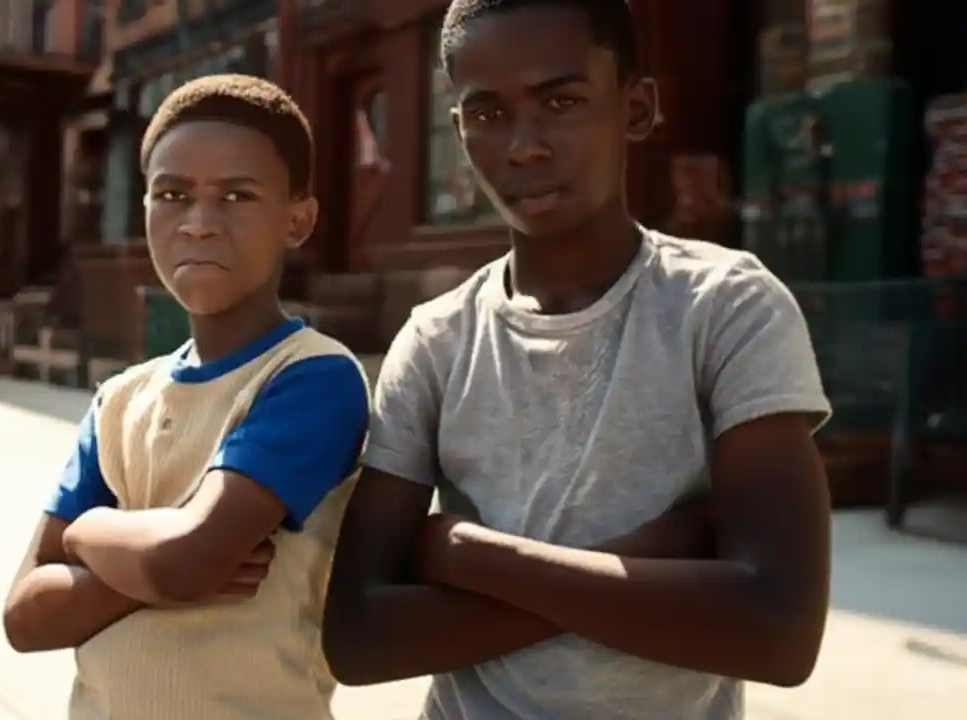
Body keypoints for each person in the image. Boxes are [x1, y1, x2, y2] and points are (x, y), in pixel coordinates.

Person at [321, 1, 834, 719]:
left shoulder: (724, 309)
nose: (525, 146)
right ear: (460, 129)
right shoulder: (436, 342)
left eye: (561, 102)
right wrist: (646, 556)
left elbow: (778, 633)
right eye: (489, 113)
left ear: (636, 108)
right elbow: (358, 639)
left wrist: (467, 555)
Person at [1, 74, 369, 720]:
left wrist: (88, 537)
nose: (199, 224)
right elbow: (25, 616)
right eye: (172, 195)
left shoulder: (312, 377)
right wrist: (144, 556)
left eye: (237, 196)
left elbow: (186, 563)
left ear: (298, 220)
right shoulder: (119, 401)